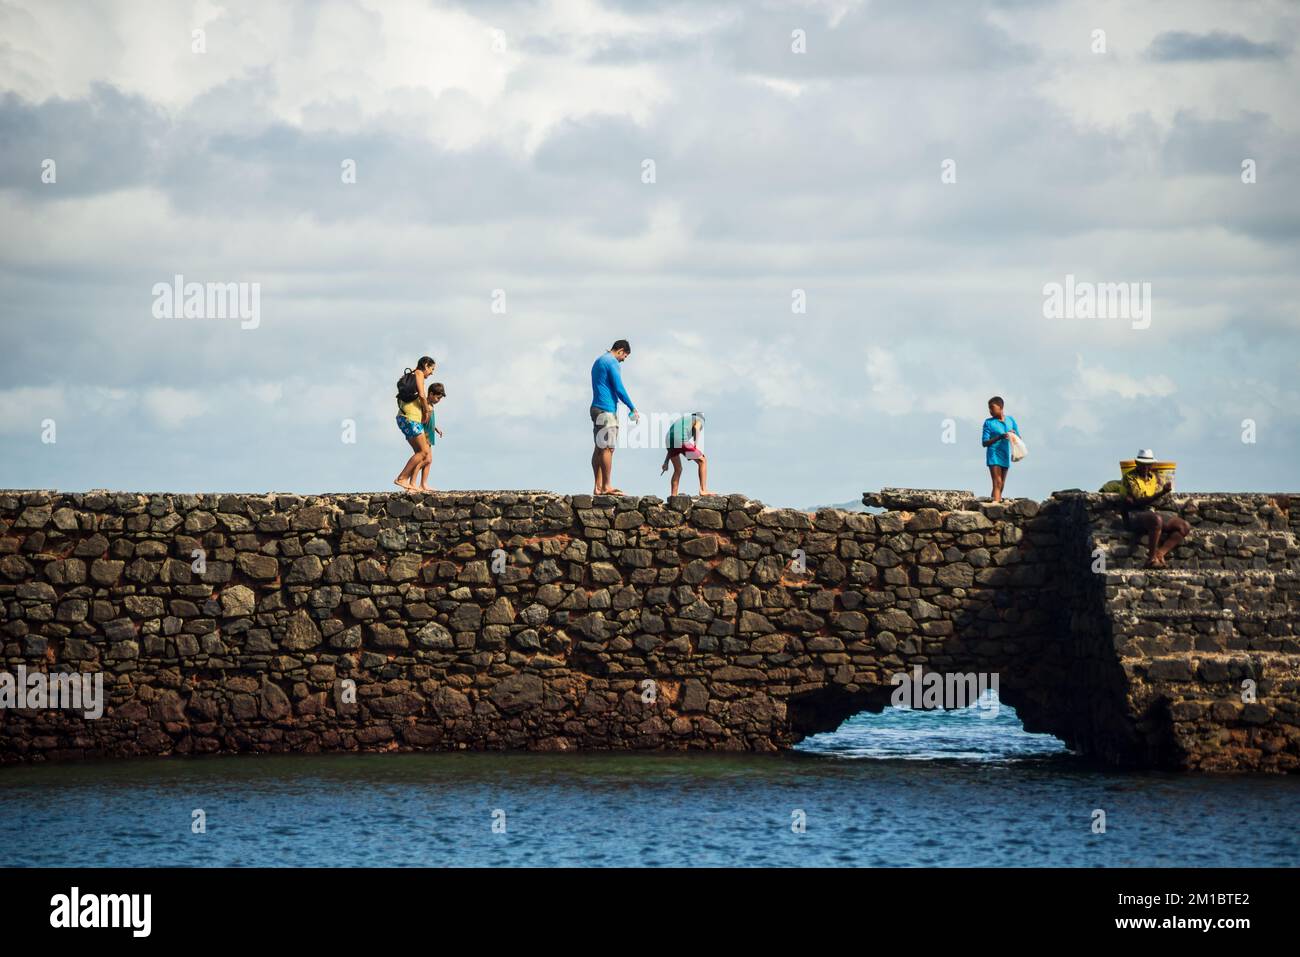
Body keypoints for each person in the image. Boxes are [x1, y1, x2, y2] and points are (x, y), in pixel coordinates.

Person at [1122, 449, 1189, 567]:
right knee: (1156, 519)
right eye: (1143, 465)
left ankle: (1160, 553)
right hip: (1135, 514)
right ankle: (1151, 558)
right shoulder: (1130, 477)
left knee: (1184, 526)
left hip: (1151, 511)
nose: (1146, 468)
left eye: (1148, 465)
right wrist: (1162, 492)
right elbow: (1140, 501)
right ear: (1137, 464)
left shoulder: (1154, 478)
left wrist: (1162, 492)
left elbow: (1159, 499)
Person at [590, 339, 639, 495]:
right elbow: (619, 387)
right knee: (608, 448)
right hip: (606, 410)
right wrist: (632, 407)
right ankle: (606, 486)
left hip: (596, 407)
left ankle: (597, 487)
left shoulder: (599, 360)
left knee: (599, 448)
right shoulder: (612, 362)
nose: (623, 360)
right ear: (621, 350)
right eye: (624, 356)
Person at [393, 356, 436, 493]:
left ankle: (410, 484)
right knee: (423, 452)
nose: (432, 373)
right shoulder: (418, 373)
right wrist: (426, 411)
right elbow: (422, 396)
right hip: (411, 418)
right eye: (431, 369)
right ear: (425, 365)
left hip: (404, 418)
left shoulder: (410, 373)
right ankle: (402, 478)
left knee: (420, 453)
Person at [660, 412, 713, 496]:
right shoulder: (699, 419)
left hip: (669, 440)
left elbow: (674, 439)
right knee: (702, 461)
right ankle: (703, 490)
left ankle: (673, 496)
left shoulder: (684, 421)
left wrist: (666, 462)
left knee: (678, 469)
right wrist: (695, 444)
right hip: (680, 439)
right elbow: (696, 428)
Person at [980, 396, 1020, 503]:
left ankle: (992, 503)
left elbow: (1019, 438)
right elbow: (984, 442)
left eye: (992, 408)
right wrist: (999, 437)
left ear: (1000, 407)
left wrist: (1014, 434)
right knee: (997, 482)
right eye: (989, 408)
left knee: (1001, 484)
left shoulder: (1010, 420)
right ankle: (996, 506)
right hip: (993, 453)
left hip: (1005, 453)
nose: (990, 411)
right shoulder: (988, 422)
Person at [416, 382, 446, 492]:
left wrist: (436, 428)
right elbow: (422, 420)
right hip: (425, 434)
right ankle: (412, 482)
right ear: (431, 394)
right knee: (425, 459)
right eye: (438, 398)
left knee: (429, 460)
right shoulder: (425, 405)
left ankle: (423, 484)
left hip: (430, 433)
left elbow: (430, 421)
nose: (439, 400)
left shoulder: (431, 405)